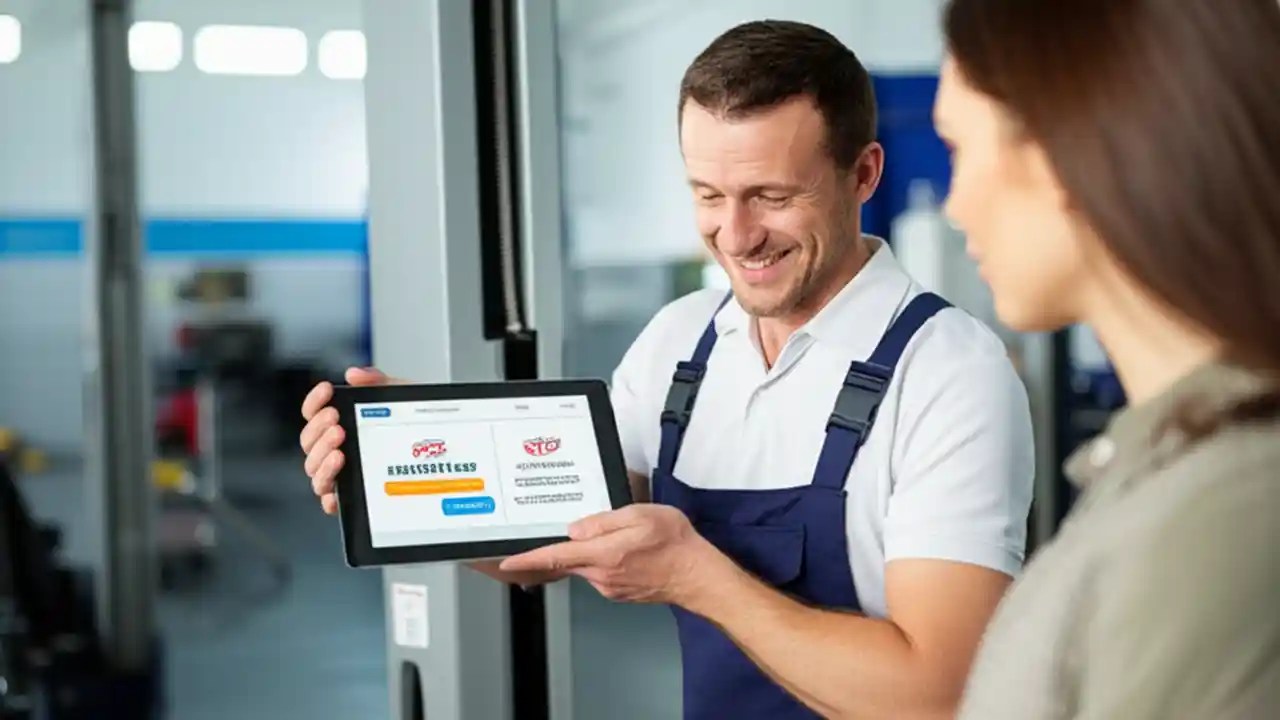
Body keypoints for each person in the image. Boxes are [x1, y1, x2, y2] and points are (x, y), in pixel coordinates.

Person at [302, 20, 1035, 720]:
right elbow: (547, 546)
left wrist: (697, 576)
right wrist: (409, 465)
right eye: (708, 196)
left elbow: (939, 696)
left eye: (773, 197)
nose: (737, 235)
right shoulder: (683, 342)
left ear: (863, 173)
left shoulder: (948, 371)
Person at [929, 1, 1280, 718]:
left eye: (960, 149)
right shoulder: (1174, 472)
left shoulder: (1219, 522)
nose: (954, 206)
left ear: (1056, 149)